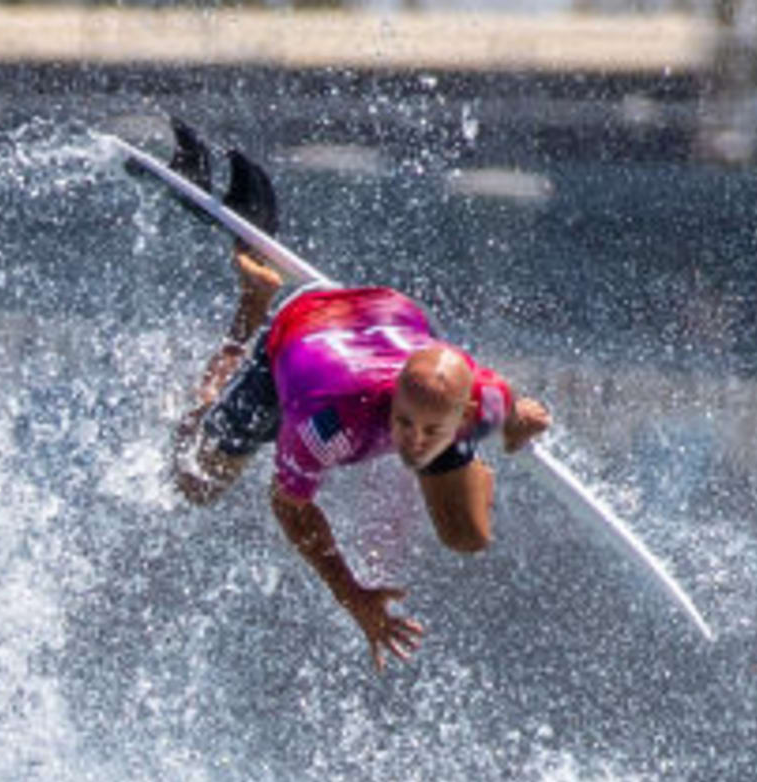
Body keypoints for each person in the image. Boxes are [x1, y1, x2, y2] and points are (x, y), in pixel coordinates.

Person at [166, 143, 554, 668]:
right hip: (300, 340)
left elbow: (505, 398)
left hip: (392, 316)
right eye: (403, 425)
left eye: (427, 430)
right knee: (195, 479)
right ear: (390, 406)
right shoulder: (329, 426)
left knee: (466, 536)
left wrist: (516, 423)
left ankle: (470, 457)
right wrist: (352, 594)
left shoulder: (483, 400)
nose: (411, 441)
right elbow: (289, 504)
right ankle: (252, 303)